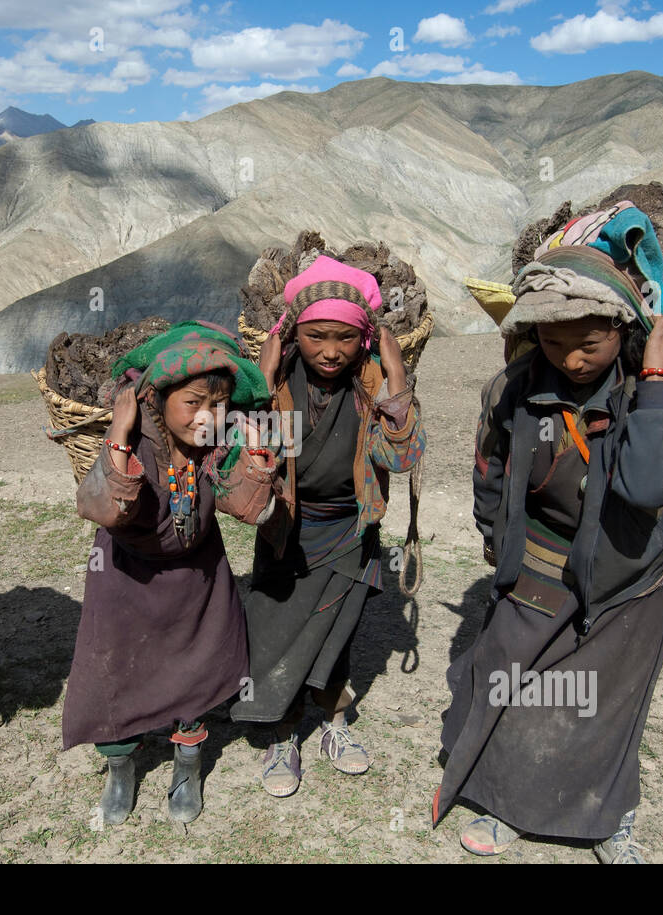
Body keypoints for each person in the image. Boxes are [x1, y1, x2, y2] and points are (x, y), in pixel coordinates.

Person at [434, 242, 663, 863]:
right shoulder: (515, 387)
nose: (571, 359)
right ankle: (506, 802)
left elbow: (648, 485)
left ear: (621, 331)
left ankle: (606, 819)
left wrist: (657, 376)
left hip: (628, 580)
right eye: (553, 343)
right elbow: (490, 469)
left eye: (589, 345)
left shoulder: (654, 389)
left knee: (602, 708)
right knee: (514, 690)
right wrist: (500, 543)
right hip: (540, 567)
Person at [62, 321, 277, 825]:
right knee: (115, 674)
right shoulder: (135, 442)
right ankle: (121, 767)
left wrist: (254, 455)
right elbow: (106, 509)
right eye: (194, 402)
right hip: (125, 583)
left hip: (197, 579)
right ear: (156, 399)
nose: (207, 416)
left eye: (219, 404)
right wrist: (118, 427)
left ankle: (188, 762)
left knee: (196, 674)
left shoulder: (216, 446)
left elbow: (249, 509)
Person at [230, 256, 426, 797]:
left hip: (350, 530)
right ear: (295, 332)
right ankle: (282, 733)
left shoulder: (370, 382)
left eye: (345, 338)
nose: (331, 351)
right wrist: (264, 378)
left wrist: (398, 378)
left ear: (365, 339)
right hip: (287, 530)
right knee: (273, 630)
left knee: (336, 634)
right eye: (317, 336)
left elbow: (402, 454)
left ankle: (334, 721)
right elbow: (251, 456)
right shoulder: (279, 383)